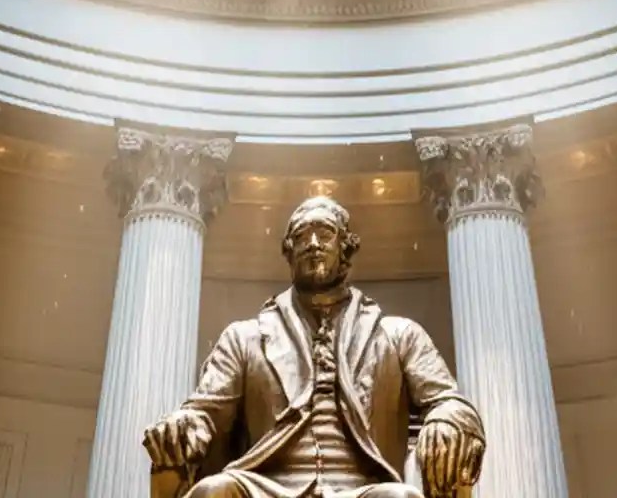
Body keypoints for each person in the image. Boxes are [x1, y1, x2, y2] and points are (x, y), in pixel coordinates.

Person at [143, 196, 484, 498]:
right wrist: (184, 423)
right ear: (287, 251)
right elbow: (205, 410)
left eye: (325, 233)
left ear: (347, 247)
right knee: (213, 492)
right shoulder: (244, 337)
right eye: (301, 236)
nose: (313, 243)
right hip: (264, 484)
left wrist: (447, 421)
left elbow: (449, 401)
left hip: (361, 487)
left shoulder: (397, 334)